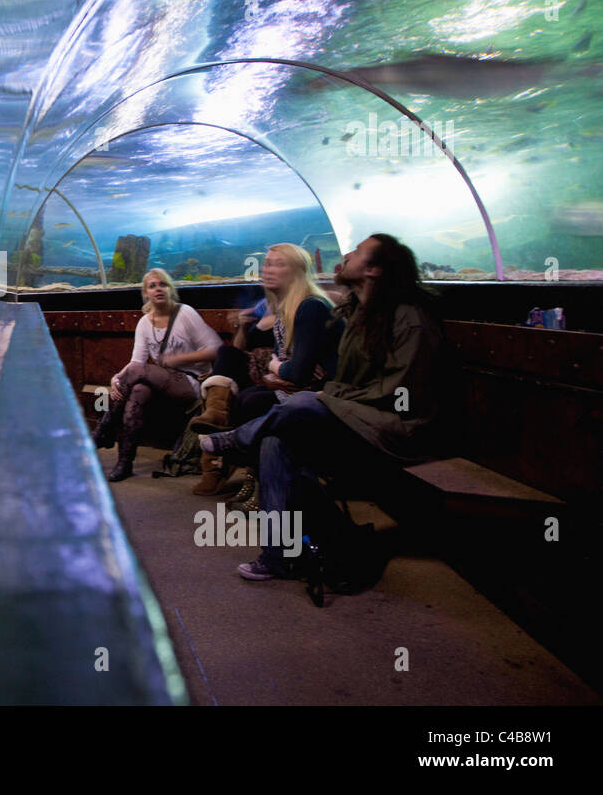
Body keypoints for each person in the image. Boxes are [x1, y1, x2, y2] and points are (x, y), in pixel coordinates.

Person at [199, 234, 445, 581]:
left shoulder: (409, 321)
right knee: (276, 441)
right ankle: (277, 555)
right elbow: (319, 370)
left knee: (301, 403)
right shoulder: (357, 310)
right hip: (356, 414)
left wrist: (329, 395)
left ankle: (236, 439)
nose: (347, 253)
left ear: (373, 270)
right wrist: (327, 391)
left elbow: (399, 394)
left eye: (358, 252)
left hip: (397, 426)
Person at [189, 243, 343, 502]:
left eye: (278, 264)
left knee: (252, 401)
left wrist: (273, 367)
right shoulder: (285, 307)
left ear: (296, 272)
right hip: (295, 386)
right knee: (246, 395)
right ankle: (254, 475)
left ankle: (251, 470)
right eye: (267, 264)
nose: (267, 270)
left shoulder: (310, 306)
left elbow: (298, 372)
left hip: (325, 396)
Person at [92, 269, 221, 484]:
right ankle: (125, 461)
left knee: (134, 377)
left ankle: (103, 431)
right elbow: (137, 361)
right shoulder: (144, 322)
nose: (158, 289)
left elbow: (216, 348)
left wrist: (178, 360)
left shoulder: (185, 313)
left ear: (171, 288)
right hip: (162, 380)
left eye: (163, 284)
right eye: (152, 286)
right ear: (146, 293)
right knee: (138, 391)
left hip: (191, 380)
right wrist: (116, 377)